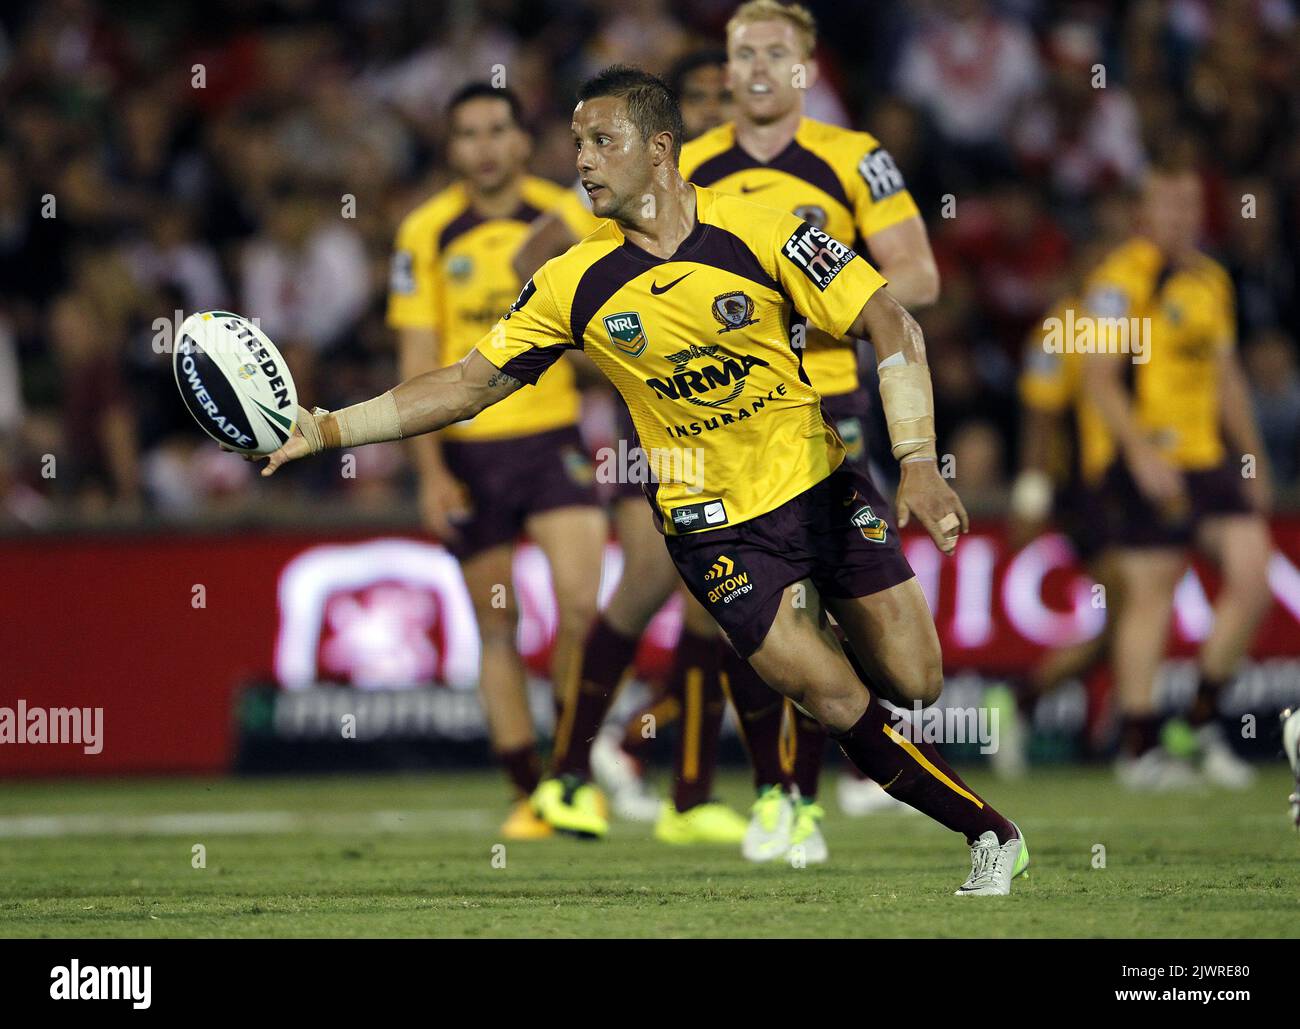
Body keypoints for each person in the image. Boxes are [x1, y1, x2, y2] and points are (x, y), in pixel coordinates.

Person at [260, 66, 1029, 895]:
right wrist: (329, 427)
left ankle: (825, 716)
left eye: (603, 142)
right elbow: (466, 383)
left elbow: (890, 318)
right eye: (577, 145)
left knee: (918, 680)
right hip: (711, 528)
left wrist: (917, 458)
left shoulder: (765, 230)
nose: (584, 162)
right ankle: (990, 835)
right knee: (829, 691)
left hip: (820, 488)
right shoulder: (572, 278)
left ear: (661, 150)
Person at [674, 0, 941, 860]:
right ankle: (779, 798)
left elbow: (918, 280)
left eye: (774, 52)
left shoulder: (853, 156)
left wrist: (806, 294)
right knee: (763, 615)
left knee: (855, 630)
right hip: (727, 421)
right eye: (740, 51)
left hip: (834, 404)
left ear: (805, 67)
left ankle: (821, 781)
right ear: (723, 66)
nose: (755, 67)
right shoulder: (688, 168)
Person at [513, 48, 746, 845]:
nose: (721, 107)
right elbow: (531, 262)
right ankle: (571, 771)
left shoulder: (730, 192)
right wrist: (616, 350)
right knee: (648, 584)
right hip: (654, 426)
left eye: (727, 94)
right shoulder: (619, 191)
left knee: (715, 606)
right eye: (707, 96)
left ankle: (687, 791)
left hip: (736, 428)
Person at [386, 83, 607, 839]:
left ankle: (571, 774)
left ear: (522, 141)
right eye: (468, 134)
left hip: (552, 440)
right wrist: (431, 473)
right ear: (452, 150)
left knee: (583, 607)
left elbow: (605, 341)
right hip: (471, 453)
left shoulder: (569, 216)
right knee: (498, 628)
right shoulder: (425, 231)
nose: (484, 146)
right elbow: (418, 360)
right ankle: (527, 791)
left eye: (497, 130)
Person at [1083, 160, 1272, 790]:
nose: (1180, 218)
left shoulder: (1211, 279)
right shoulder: (1117, 281)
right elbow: (1099, 379)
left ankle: (1198, 720)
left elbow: (1227, 378)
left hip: (1208, 459)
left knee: (1252, 572)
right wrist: (1138, 452)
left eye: (1190, 205)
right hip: (1147, 454)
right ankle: (1139, 746)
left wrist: (1253, 457)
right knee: (1151, 591)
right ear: (1143, 213)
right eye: (1168, 206)